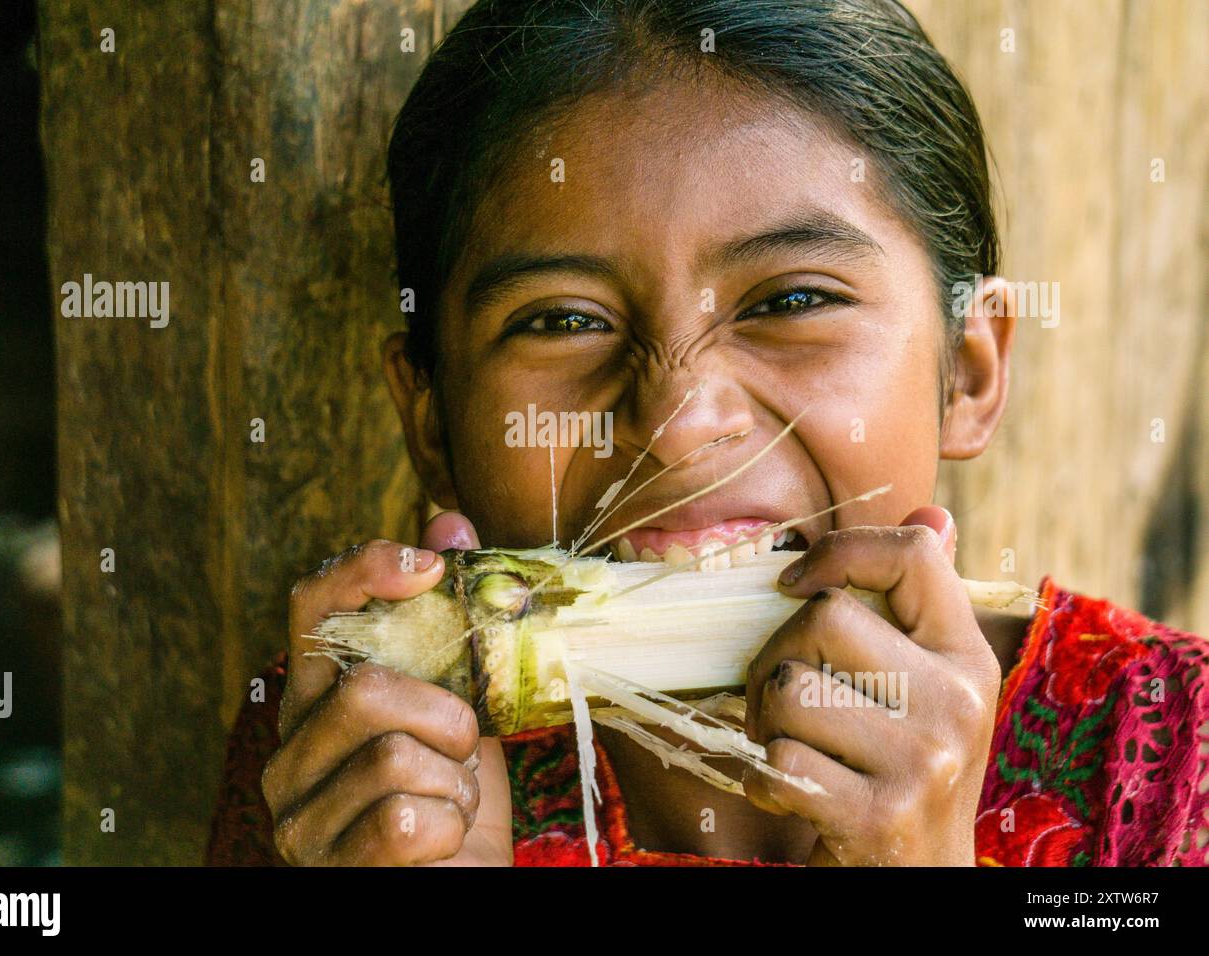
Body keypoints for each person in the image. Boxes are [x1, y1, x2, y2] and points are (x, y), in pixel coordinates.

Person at [206, 0, 1209, 867]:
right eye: (561, 320)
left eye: (793, 298)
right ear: (429, 418)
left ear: (969, 372)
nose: (679, 426)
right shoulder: (356, 758)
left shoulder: (1165, 762)